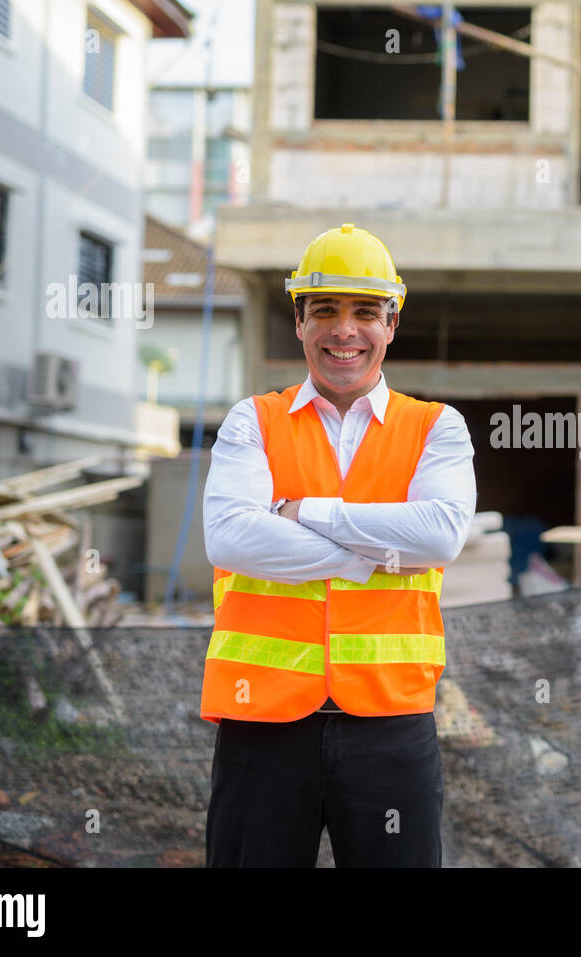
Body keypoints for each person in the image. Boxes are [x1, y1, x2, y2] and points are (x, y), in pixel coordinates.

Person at [200, 223, 477, 867]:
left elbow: (438, 536)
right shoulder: (253, 421)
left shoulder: (436, 427)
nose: (344, 330)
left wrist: (305, 514)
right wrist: (376, 553)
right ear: (299, 322)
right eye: (324, 309)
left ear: (391, 323)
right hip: (263, 721)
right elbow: (232, 539)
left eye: (364, 312)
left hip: (390, 722)